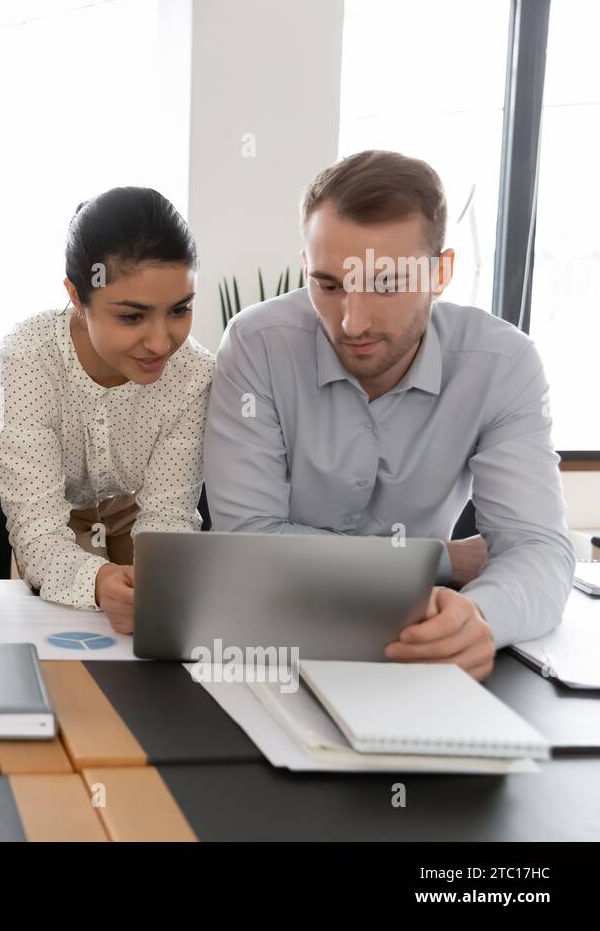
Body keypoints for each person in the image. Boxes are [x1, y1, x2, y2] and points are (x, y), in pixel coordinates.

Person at [203, 150, 574, 680]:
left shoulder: (503, 363)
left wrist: (478, 617)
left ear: (441, 273)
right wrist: (437, 558)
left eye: (385, 284)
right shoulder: (256, 344)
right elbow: (248, 542)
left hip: (420, 639)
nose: (352, 323)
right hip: (276, 632)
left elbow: (537, 547)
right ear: (306, 267)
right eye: (329, 285)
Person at [0, 187, 213, 632]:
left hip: (138, 509)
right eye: (132, 316)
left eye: (179, 310)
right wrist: (97, 582)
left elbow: (169, 518)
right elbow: (39, 535)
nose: (160, 342)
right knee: (70, 635)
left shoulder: (194, 374)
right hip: (57, 515)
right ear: (76, 295)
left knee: (155, 617)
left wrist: (158, 582)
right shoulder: (25, 360)